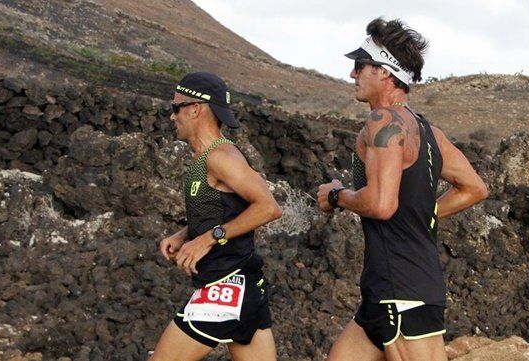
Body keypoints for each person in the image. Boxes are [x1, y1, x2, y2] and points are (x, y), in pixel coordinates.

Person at [317, 18, 488, 361]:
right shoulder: (428, 132)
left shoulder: (384, 122)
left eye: (359, 65)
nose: (353, 74)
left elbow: (381, 205)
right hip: (382, 292)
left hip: (404, 293)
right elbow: (474, 187)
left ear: (383, 71)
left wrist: (337, 196)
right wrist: (426, 211)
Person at [151, 72, 282, 361]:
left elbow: (268, 207)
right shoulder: (204, 157)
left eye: (176, 108)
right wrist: (186, 234)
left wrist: (209, 239)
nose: (172, 117)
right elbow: (221, 210)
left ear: (195, 109)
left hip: (225, 287)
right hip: (243, 286)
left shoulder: (220, 157)